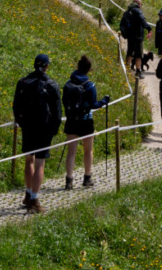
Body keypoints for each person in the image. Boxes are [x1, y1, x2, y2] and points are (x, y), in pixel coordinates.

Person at [12, 53, 62, 213]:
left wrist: (21, 123)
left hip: (28, 127)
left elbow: (16, 106)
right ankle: (34, 199)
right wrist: (54, 130)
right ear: (47, 66)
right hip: (44, 128)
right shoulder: (52, 85)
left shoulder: (23, 82)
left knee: (29, 160)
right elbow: (57, 112)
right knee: (40, 163)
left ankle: (27, 194)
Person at [61, 55, 111, 188]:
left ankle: (69, 180)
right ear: (89, 69)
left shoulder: (68, 84)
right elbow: (93, 105)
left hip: (71, 121)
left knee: (71, 152)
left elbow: (64, 102)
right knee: (88, 151)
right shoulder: (89, 86)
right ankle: (87, 178)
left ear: (77, 67)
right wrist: (104, 101)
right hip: (86, 121)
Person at [119, 0, 148, 75]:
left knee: (129, 52)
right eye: (140, 4)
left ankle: (127, 69)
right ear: (138, 4)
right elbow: (142, 21)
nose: (140, 5)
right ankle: (138, 70)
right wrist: (148, 28)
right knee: (139, 54)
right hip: (138, 37)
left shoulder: (127, 12)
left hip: (130, 37)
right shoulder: (138, 12)